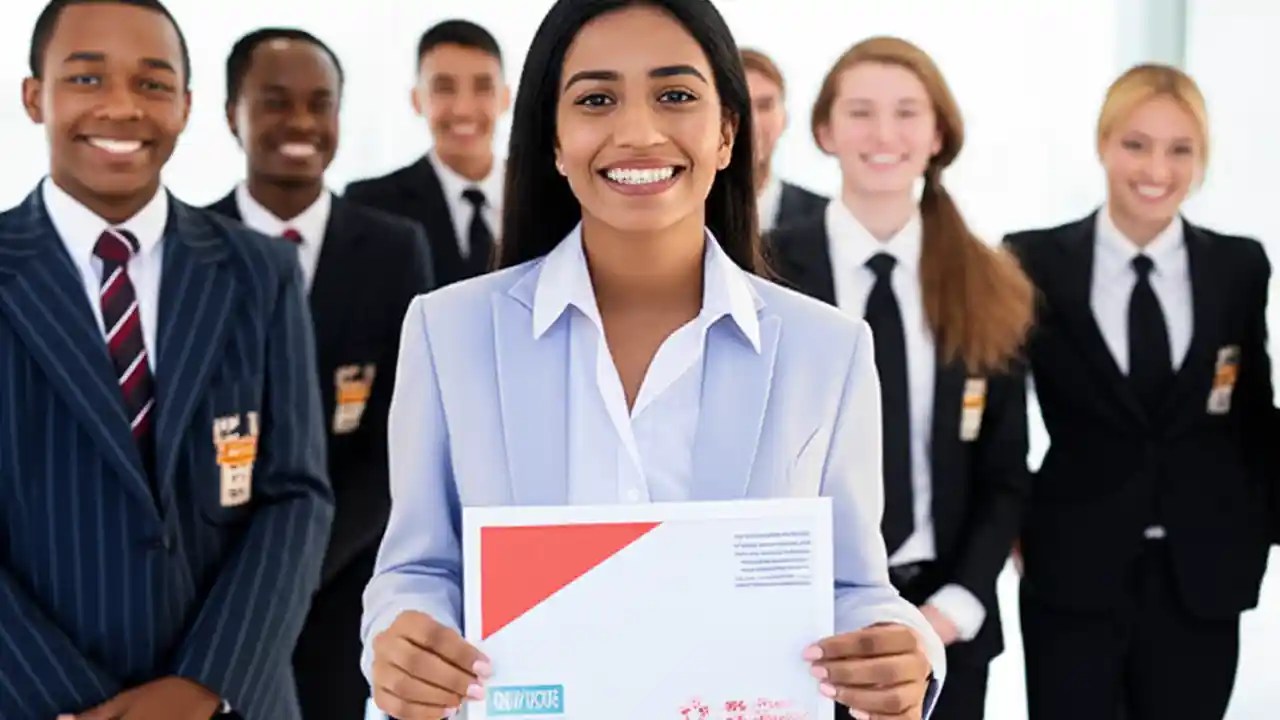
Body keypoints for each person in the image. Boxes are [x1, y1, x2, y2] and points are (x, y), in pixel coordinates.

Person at [360, 1, 948, 719]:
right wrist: (399, 641)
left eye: (676, 95)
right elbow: (417, 568)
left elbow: (855, 585)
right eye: (596, 99)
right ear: (552, 138)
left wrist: (903, 647)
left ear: (729, 132)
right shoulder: (447, 332)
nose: (637, 132)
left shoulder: (827, 349)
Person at [0, 1, 333, 719]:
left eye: (152, 85)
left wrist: (205, 682)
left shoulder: (260, 272)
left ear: (185, 106)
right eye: (87, 80)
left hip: (230, 700)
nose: (122, 108)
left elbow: (295, 494)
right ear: (34, 96)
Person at [1004, 63, 1275, 720]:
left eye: (1180, 149)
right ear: (1103, 145)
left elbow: (1253, 414)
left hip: (1203, 572)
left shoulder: (1239, 266)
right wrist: (1008, 522)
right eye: (1136, 144)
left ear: (1201, 159)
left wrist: (1261, 527)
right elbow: (1005, 416)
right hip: (1073, 568)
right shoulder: (1032, 261)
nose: (1157, 167)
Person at [771, 36, 1032, 720]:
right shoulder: (765, 272)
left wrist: (949, 612)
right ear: (825, 131)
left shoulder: (990, 281)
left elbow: (1005, 472)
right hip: (801, 627)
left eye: (907, 113)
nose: (883, 134)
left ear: (939, 132)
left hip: (945, 623)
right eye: (860, 112)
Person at [205, 27, 433, 720]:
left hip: (345, 594)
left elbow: (405, 432)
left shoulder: (394, 248)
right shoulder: (191, 249)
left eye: (320, 103)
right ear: (231, 114)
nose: (301, 123)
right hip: (206, 597)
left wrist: (293, 570)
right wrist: (242, 582)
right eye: (276, 102)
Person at [344, 19, 510, 288]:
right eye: (444, 88)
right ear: (416, 99)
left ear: (505, 98)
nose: (463, 109)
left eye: (483, 87)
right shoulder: (370, 205)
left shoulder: (553, 197)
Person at [739, 48, 827, 234]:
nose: (752, 123)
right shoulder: (678, 217)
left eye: (765, 106)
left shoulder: (826, 220)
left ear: (784, 118)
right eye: (738, 105)